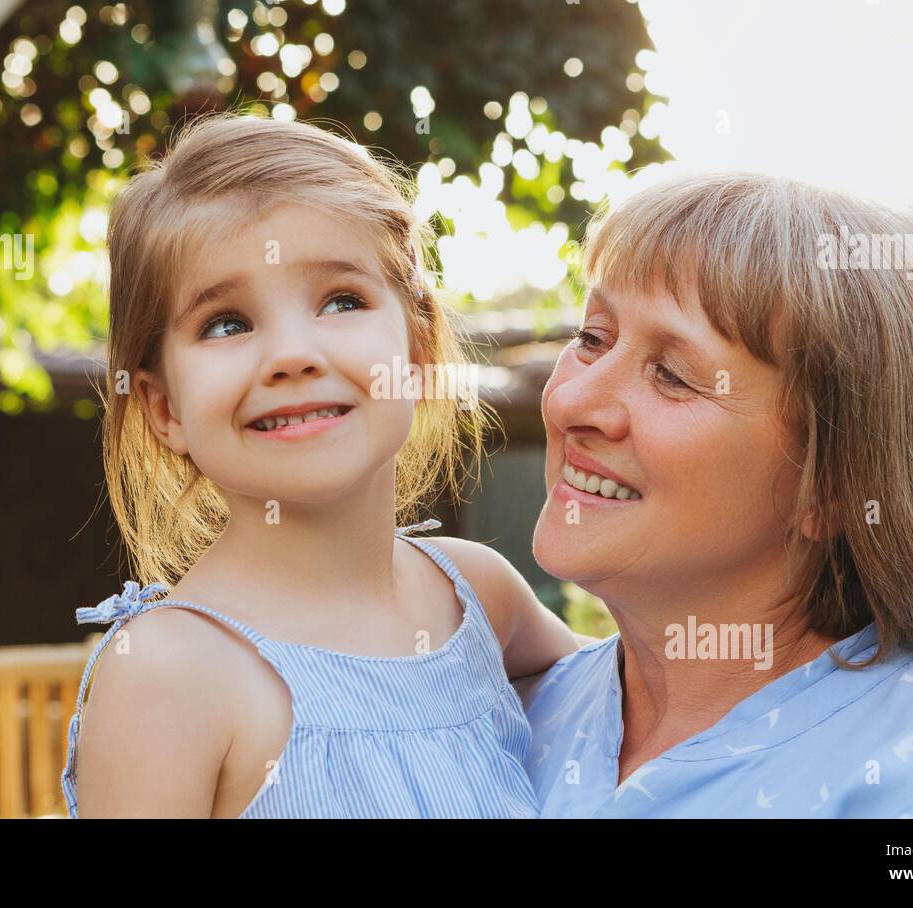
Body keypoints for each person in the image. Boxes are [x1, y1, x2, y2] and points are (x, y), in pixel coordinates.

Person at [61, 113, 578, 818]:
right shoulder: (169, 673)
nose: (292, 354)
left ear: (418, 354)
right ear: (164, 409)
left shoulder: (478, 601)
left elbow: (653, 712)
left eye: (342, 300)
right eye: (227, 323)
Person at [518, 172, 913, 817]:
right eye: (593, 339)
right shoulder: (494, 715)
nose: (568, 401)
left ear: (839, 485)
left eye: (672, 376)